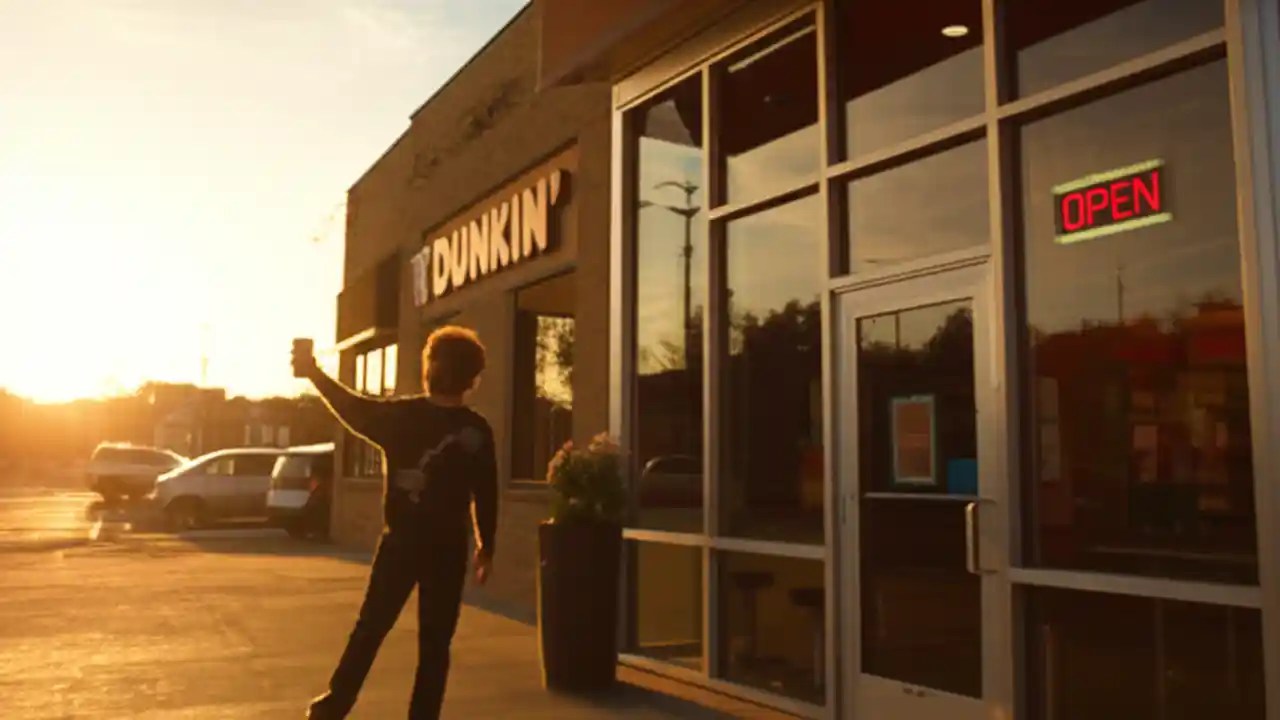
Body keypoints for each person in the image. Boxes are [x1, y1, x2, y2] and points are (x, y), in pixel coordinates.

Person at [294, 326, 497, 720]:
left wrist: (314, 372)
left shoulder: (402, 417)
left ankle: (335, 705)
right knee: (435, 644)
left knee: (371, 627)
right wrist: (486, 546)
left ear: (431, 367)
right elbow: (486, 492)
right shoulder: (477, 430)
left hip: (403, 543)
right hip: (448, 548)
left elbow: (350, 406)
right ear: (473, 377)